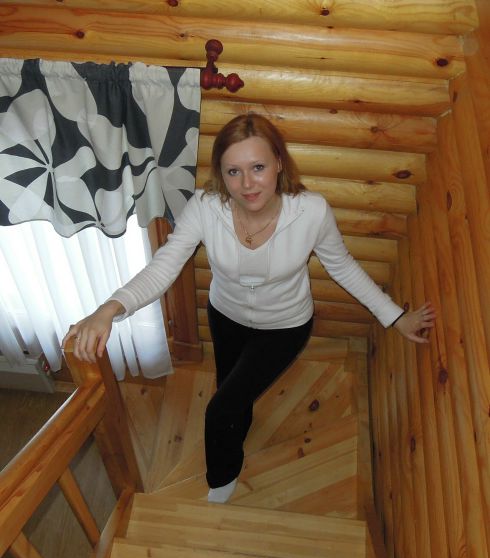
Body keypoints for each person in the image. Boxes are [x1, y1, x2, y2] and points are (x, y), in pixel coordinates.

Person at [63, 114, 436, 504]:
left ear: (279, 163)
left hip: (285, 327)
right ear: (221, 175)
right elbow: (165, 264)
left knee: (219, 410)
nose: (247, 184)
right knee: (232, 391)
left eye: (258, 167)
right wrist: (110, 309)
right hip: (225, 318)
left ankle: (222, 478)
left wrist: (395, 317)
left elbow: (342, 266)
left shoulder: (311, 212)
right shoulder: (206, 207)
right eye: (234, 172)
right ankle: (237, 428)